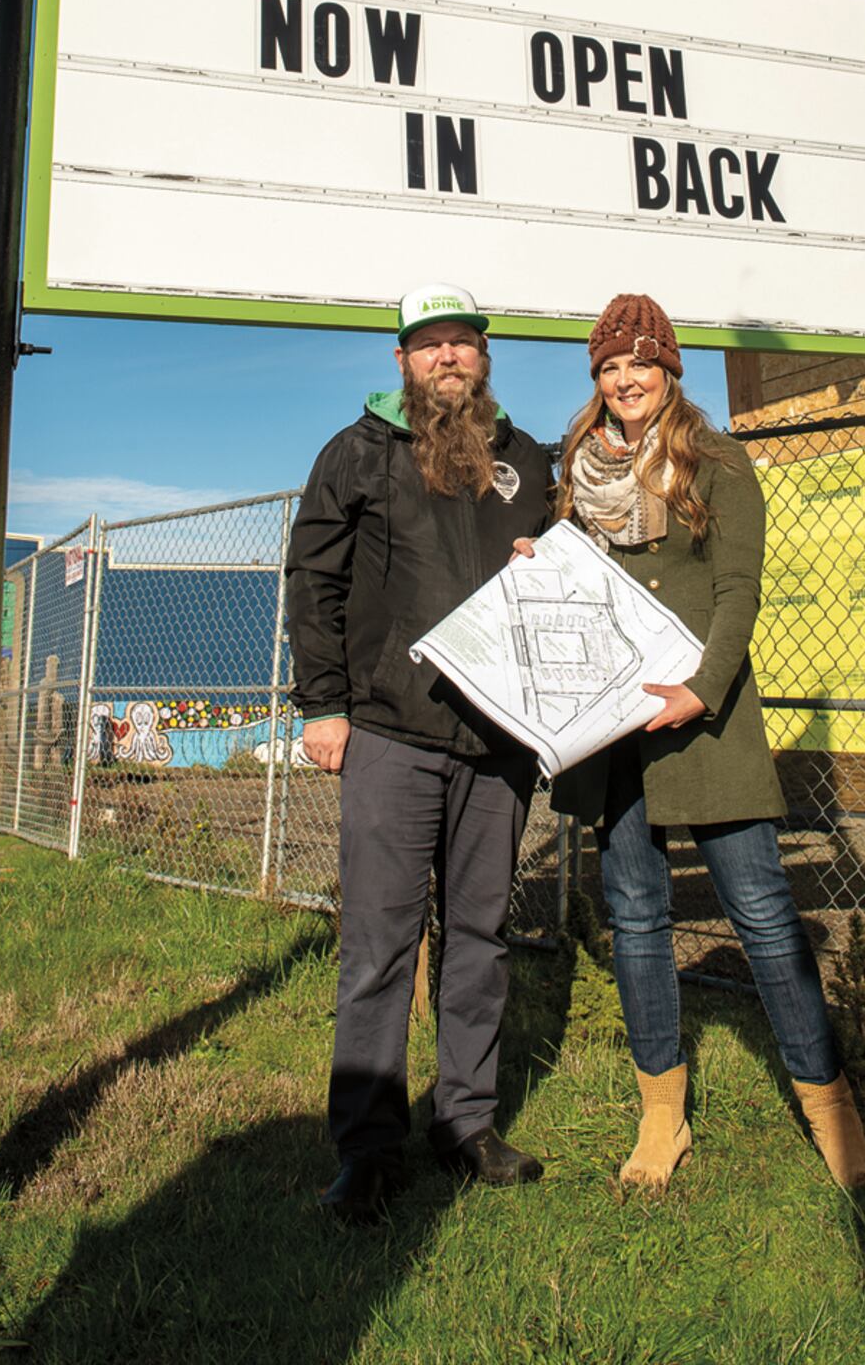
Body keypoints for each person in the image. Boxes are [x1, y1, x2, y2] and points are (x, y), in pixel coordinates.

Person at [548, 292, 865, 1191]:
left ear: (669, 370)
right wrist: (532, 562)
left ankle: (832, 1113)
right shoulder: (580, 474)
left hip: (706, 721)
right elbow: (573, 586)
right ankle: (662, 1117)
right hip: (615, 733)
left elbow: (738, 590)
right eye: (610, 368)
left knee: (765, 917)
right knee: (638, 917)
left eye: (639, 364)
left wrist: (700, 689)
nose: (624, 380)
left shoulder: (718, 460)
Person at [288, 283, 551, 1222]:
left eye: (463, 343)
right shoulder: (358, 452)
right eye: (429, 344)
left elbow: (566, 584)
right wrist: (323, 706)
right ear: (400, 359)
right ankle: (366, 1148)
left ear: (484, 357)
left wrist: (545, 564)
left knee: (479, 938)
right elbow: (313, 580)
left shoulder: (526, 457)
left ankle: (465, 1121)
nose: (448, 358)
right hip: (391, 735)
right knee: (378, 947)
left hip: (499, 744)